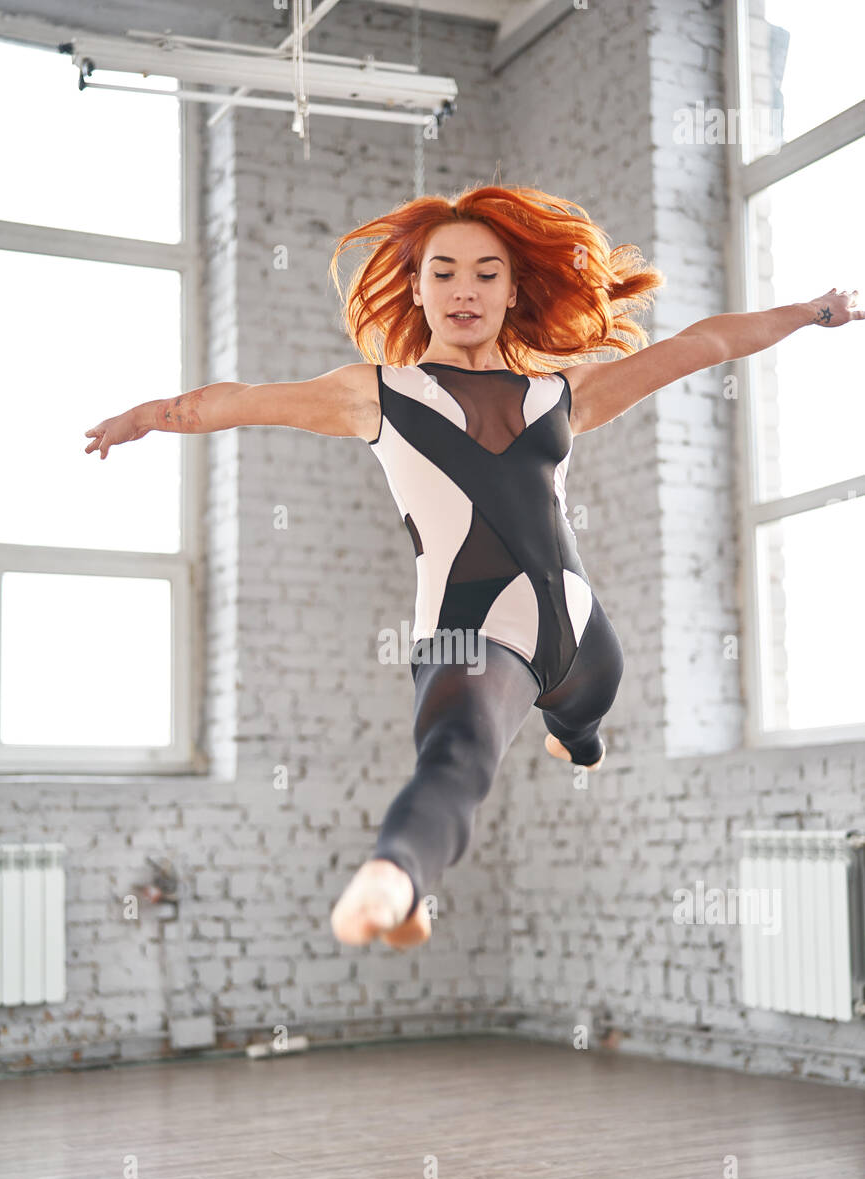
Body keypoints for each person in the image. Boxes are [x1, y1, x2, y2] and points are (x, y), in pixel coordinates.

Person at [84, 182, 861, 955]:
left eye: (487, 272)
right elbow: (240, 400)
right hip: (473, 635)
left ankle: (573, 739)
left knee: (582, 726)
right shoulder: (375, 395)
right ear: (416, 288)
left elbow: (705, 344)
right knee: (457, 755)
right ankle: (396, 876)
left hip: (586, 639)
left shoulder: (565, 392)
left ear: (513, 288)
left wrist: (809, 312)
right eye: (444, 271)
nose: (466, 289)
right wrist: (145, 419)